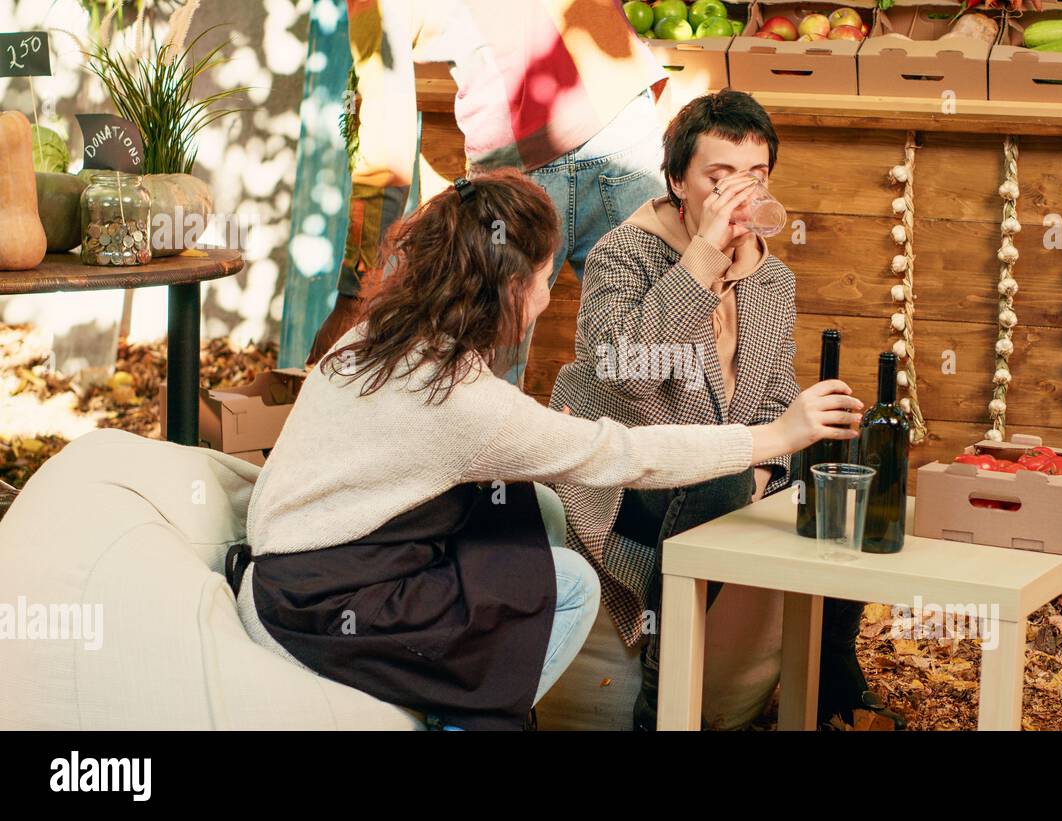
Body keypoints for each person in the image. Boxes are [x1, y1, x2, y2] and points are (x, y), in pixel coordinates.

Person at [233, 170, 864, 730]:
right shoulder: (460, 397)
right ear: (506, 286)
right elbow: (622, 453)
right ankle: (473, 717)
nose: (550, 295)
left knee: (531, 509)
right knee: (568, 585)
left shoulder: (382, 333)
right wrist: (774, 437)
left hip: (317, 560)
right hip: (316, 602)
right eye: (544, 278)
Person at [549, 89, 906, 731]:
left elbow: (770, 401)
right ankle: (661, 706)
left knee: (853, 467)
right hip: (629, 474)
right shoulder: (620, 256)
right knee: (718, 473)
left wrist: (776, 463)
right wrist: (703, 256)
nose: (737, 196)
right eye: (718, 178)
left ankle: (830, 669)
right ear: (679, 181)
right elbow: (631, 375)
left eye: (755, 178)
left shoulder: (772, 280)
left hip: (741, 469)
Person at [307, 0, 671, 388]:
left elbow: (385, 143)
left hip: (515, 177)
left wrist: (354, 295)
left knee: (479, 377)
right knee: (664, 352)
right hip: (624, 119)